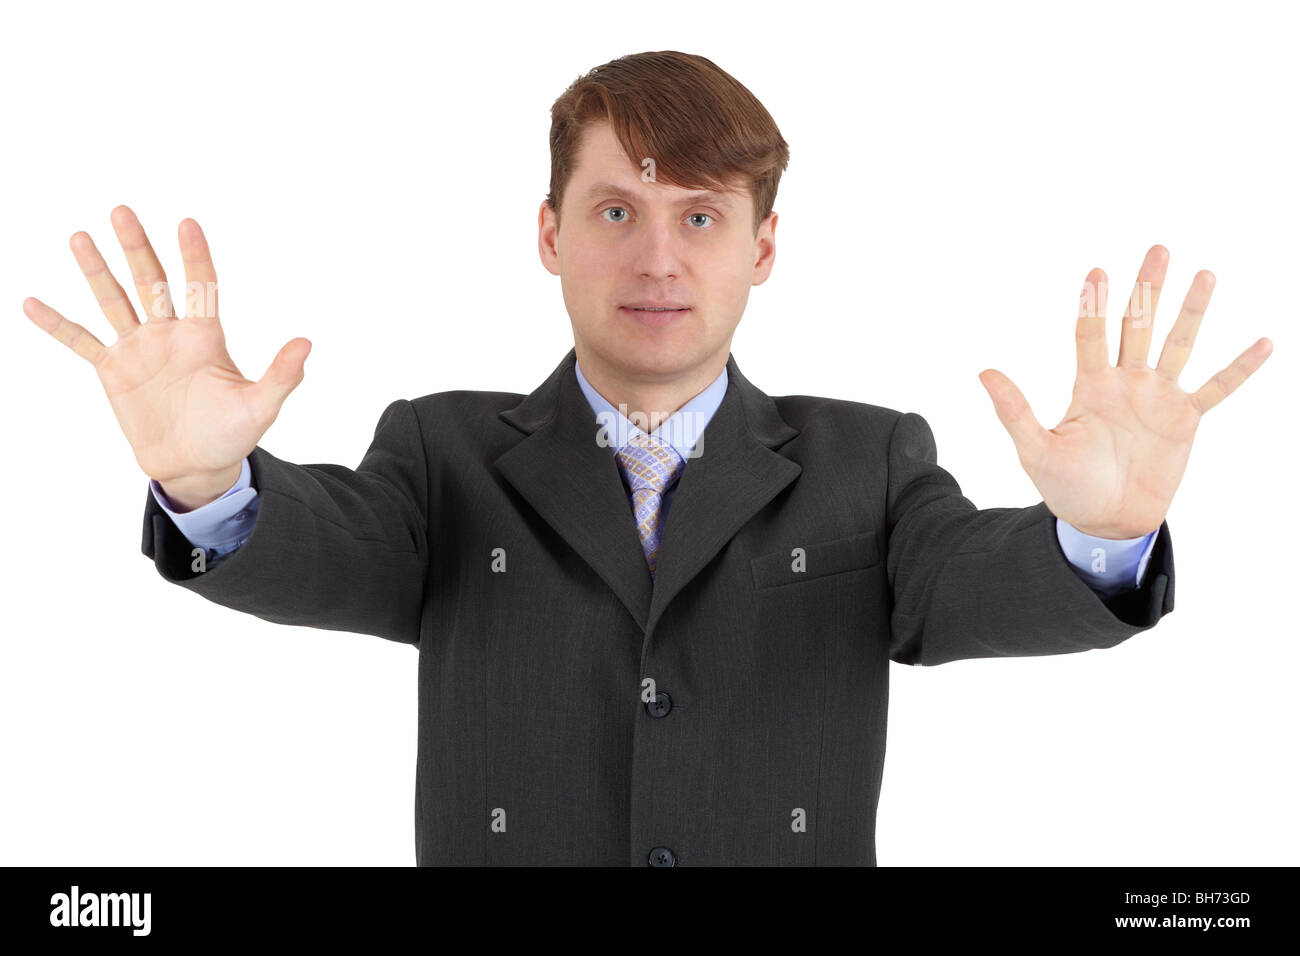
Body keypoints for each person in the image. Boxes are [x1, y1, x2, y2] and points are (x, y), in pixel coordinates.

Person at [22, 51, 1272, 866]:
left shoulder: (868, 456)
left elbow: (967, 581)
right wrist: (205, 484)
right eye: (615, 210)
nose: (658, 258)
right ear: (549, 234)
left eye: (701, 217)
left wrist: (1099, 535)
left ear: (763, 247)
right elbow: (327, 550)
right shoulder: (443, 449)